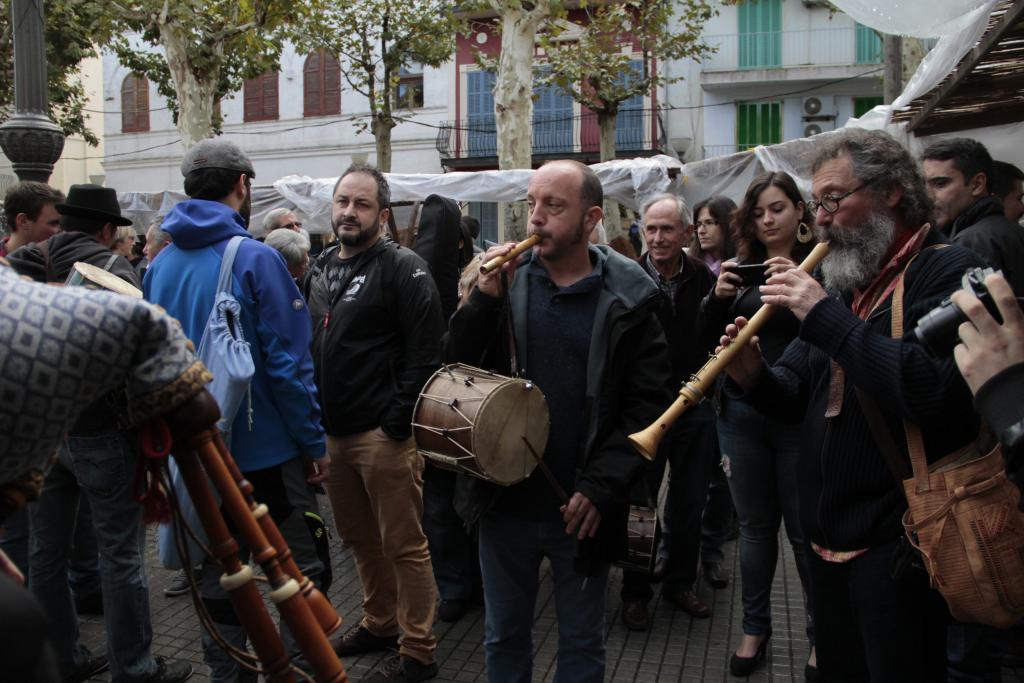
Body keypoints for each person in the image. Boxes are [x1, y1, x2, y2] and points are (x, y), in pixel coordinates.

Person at [718, 128, 986, 682]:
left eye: (834, 200)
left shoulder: (946, 270)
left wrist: (821, 316)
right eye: (818, 203)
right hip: (828, 543)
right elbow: (791, 397)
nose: (820, 219)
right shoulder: (848, 286)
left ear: (890, 191)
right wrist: (750, 375)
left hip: (900, 546)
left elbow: (927, 389)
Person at [446, 160, 671, 682]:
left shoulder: (631, 296)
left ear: (591, 217)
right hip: (504, 501)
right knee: (503, 639)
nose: (535, 220)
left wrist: (599, 488)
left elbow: (648, 405)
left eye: (553, 206)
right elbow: (454, 374)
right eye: (531, 204)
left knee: (582, 645)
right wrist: (481, 302)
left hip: (582, 507)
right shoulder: (505, 280)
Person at [144, 138, 329, 683]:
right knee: (300, 569)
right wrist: (314, 445)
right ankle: (298, 671)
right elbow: (289, 367)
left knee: (220, 576)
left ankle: (229, 675)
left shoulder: (159, 264)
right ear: (243, 186)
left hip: (196, 457)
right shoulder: (256, 258)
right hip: (265, 456)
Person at [7, 184, 193, 683]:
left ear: (66, 222)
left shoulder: (21, 262)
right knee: (121, 554)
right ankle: (134, 667)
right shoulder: (113, 270)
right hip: (100, 434)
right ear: (108, 230)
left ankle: (63, 659)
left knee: (45, 553)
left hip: (43, 433)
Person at [305, 163, 443, 683]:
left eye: (361, 204)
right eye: (342, 201)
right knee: (359, 540)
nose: (349, 212)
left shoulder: (402, 267)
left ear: (382, 215)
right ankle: (380, 622)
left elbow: (426, 351)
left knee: (404, 545)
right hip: (333, 436)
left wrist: (395, 423)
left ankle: (418, 651)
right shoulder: (319, 266)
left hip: (382, 437)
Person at [698, 171, 817, 678]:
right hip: (741, 413)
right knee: (753, 529)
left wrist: (805, 283)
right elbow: (707, 340)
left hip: (798, 414)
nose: (768, 220)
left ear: (800, 212)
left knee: (804, 532)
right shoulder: (741, 265)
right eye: (760, 211)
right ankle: (754, 628)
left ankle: (819, 634)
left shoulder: (823, 265)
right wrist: (718, 297)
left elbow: (830, 328)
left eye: (779, 208)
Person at [619, 193, 718, 631]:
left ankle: (680, 582)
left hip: (693, 407)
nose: (657, 238)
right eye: (650, 229)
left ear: (686, 233)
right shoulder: (627, 275)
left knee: (690, 500)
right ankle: (635, 592)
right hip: (643, 409)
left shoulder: (703, 277)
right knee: (640, 508)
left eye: (666, 229)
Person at [922, 138, 1024, 294]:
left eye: (940, 183)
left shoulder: (972, 242)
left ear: (977, 185)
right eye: (925, 185)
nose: (928, 196)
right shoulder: (1005, 231)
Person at [1, 180, 63, 257]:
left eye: (62, 224)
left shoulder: (61, 260)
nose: (61, 231)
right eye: (54, 223)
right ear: (23, 221)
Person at [689, 196, 737, 276]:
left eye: (709, 223)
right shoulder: (689, 267)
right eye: (699, 224)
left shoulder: (746, 263)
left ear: (728, 224)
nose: (701, 231)